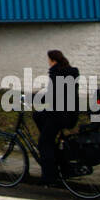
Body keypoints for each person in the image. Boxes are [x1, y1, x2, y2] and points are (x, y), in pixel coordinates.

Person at [34, 49, 79, 185]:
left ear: (53, 60)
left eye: (48, 60)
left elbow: (52, 96)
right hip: (69, 114)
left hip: (59, 115)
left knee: (43, 143)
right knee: (37, 115)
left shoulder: (56, 73)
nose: (48, 62)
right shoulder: (70, 71)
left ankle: (49, 177)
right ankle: (59, 165)